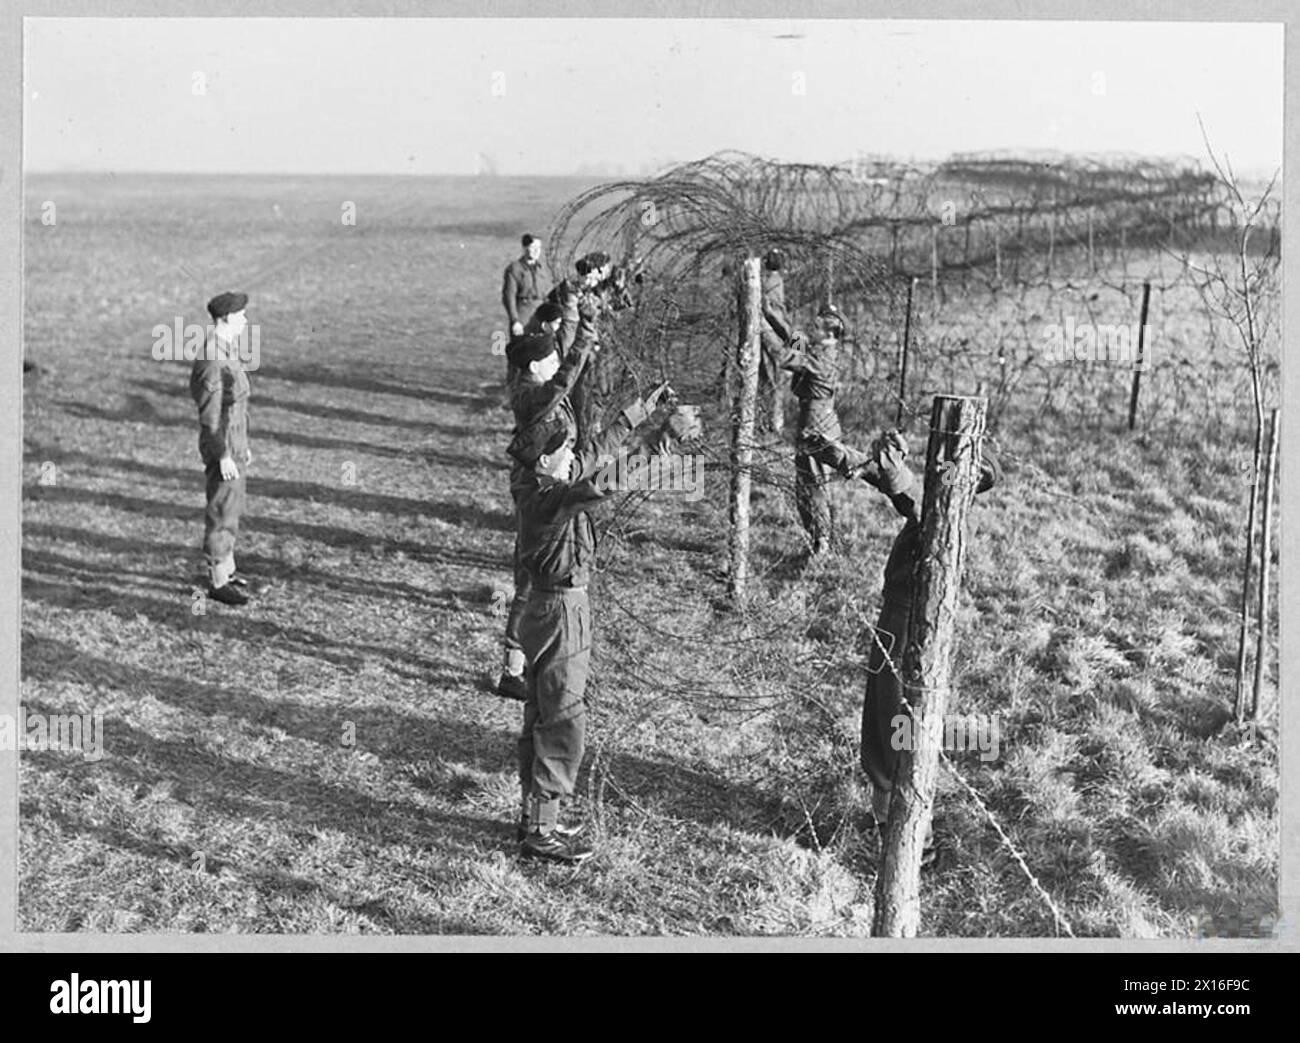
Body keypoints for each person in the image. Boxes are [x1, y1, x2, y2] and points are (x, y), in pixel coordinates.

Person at [508, 380, 672, 863]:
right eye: (563, 449)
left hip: (545, 608)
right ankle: (542, 833)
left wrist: (639, 412)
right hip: (562, 613)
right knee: (563, 720)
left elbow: (595, 455)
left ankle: (535, 819)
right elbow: (600, 481)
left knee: (541, 714)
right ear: (545, 461)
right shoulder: (548, 498)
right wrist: (659, 447)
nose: (572, 451)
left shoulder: (540, 479)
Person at [859, 430, 1001, 863]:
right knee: (884, 719)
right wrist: (878, 466)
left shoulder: (944, 516)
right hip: (897, 616)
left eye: (956, 469)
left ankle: (913, 840)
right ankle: (891, 821)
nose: (942, 472)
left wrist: (893, 471)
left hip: (908, 622)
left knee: (897, 724)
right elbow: (907, 496)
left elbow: (913, 500)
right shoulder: (937, 509)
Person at [495, 307, 599, 701]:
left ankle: (537, 657)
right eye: (552, 359)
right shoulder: (530, 398)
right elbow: (562, 382)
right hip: (539, 491)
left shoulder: (538, 391)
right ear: (536, 366)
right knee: (530, 580)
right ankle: (513, 669)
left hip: (556, 481)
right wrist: (584, 340)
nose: (558, 363)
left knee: (543, 576)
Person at [780, 301, 869, 556]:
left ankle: (821, 541)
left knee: (813, 483)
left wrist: (784, 336)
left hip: (817, 423)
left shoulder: (823, 356)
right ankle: (818, 537)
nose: (812, 329)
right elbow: (797, 373)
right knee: (806, 483)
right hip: (813, 418)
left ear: (830, 332)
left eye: (817, 326)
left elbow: (788, 359)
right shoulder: (819, 352)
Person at [190, 292, 256, 607]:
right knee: (221, 510)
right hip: (223, 446)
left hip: (235, 441)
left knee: (233, 505)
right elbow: (210, 417)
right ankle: (217, 582)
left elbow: (237, 406)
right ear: (227, 318)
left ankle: (228, 571)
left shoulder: (225, 349)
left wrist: (244, 445)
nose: (245, 321)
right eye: (241, 315)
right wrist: (224, 454)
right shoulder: (213, 359)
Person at [759, 248, 792, 436]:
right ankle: (774, 424)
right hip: (773, 334)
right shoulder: (774, 282)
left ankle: (767, 422)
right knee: (775, 380)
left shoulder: (768, 280)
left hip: (771, 333)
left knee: (768, 379)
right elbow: (774, 314)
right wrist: (793, 339)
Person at [502, 233, 544, 339]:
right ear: (525, 248)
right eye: (533, 247)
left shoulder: (542, 269)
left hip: (541, 316)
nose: (536, 251)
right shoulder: (514, 269)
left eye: (539, 248)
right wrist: (515, 320)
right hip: (523, 316)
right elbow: (509, 297)